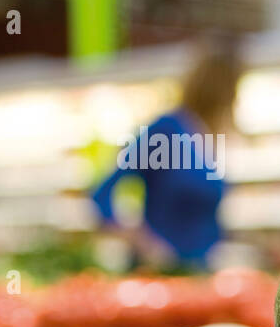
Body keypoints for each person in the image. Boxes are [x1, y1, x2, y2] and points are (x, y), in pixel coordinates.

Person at [90, 41, 240, 271]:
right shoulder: (167, 130)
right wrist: (143, 242)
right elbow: (103, 192)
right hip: (158, 275)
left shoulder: (209, 137)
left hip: (202, 274)